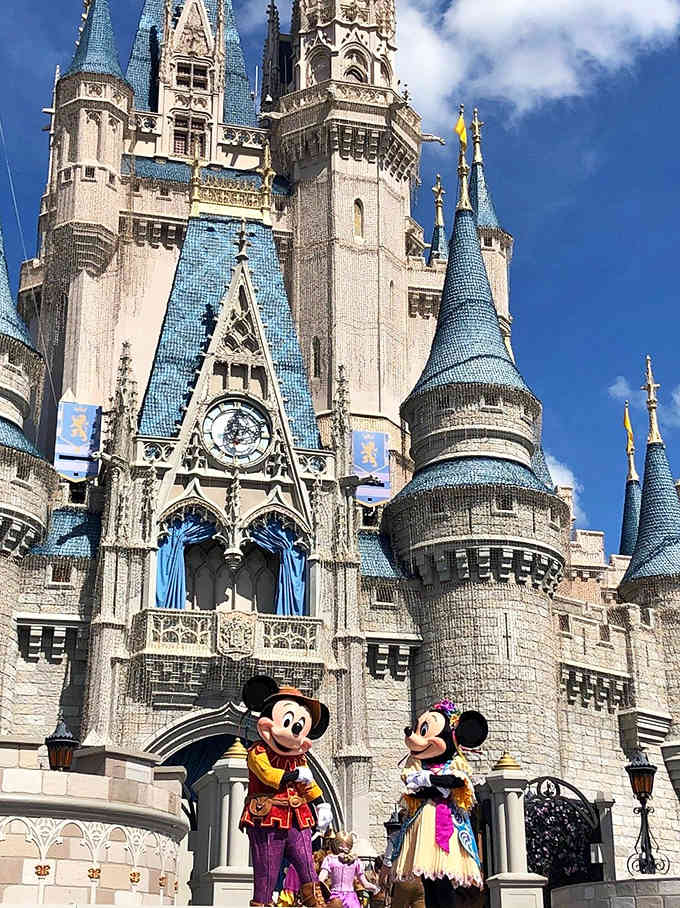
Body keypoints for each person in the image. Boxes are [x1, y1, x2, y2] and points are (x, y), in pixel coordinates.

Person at [240, 675, 334, 908]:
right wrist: (294, 775)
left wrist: (322, 804)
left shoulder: (298, 758)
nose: (294, 733)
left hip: (298, 818)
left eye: (299, 728)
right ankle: (262, 904)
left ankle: (316, 903)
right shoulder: (258, 751)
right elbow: (267, 775)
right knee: (267, 873)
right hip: (267, 817)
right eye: (289, 723)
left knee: (307, 866)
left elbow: (308, 785)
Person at [318, 831, 380, 908]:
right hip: (351, 900)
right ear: (351, 845)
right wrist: (376, 889)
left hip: (335, 897)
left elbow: (320, 880)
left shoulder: (329, 859)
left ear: (335, 844)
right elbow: (365, 884)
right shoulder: (356, 861)